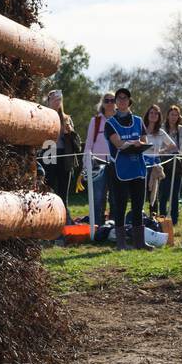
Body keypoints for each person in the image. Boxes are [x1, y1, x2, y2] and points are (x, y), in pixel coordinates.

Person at [105, 88, 151, 251]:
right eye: (119, 98)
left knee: (138, 206)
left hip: (137, 167)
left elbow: (144, 140)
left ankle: (140, 242)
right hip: (119, 169)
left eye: (125, 98)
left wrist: (140, 143)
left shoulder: (138, 121)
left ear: (129, 101)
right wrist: (134, 143)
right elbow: (118, 143)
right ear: (116, 102)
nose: (122, 101)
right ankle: (121, 243)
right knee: (120, 205)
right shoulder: (110, 123)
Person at [157, 104, 182, 222]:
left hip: (178, 162)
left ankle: (174, 219)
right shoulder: (162, 128)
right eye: (172, 115)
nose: (174, 117)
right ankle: (162, 218)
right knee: (164, 192)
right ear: (168, 116)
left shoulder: (181, 128)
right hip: (165, 161)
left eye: (176, 115)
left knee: (175, 192)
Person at [44, 90, 79, 224]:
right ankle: (49, 219)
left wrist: (69, 132)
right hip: (49, 151)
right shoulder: (44, 116)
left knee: (64, 190)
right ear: (48, 100)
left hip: (65, 154)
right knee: (49, 188)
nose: (57, 101)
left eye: (59, 99)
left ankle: (64, 220)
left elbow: (75, 141)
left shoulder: (66, 118)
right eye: (54, 99)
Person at [84, 92, 116, 228]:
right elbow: (88, 144)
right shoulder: (95, 121)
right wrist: (86, 165)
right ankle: (97, 228)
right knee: (98, 198)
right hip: (97, 163)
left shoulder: (119, 120)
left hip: (116, 163)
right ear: (102, 103)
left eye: (112, 100)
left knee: (115, 198)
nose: (109, 103)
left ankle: (114, 228)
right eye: (106, 100)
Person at [141, 105, 177, 214]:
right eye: (151, 113)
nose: (153, 115)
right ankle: (139, 217)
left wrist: (161, 151)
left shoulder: (161, 132)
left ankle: (153, 217)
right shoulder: (141, 129)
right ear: (147, 115)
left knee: (154, 192)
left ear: (159, 116)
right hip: (142, 162)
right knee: (141, 191)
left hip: (155, 163)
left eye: (156, 113)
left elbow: (173, 145)